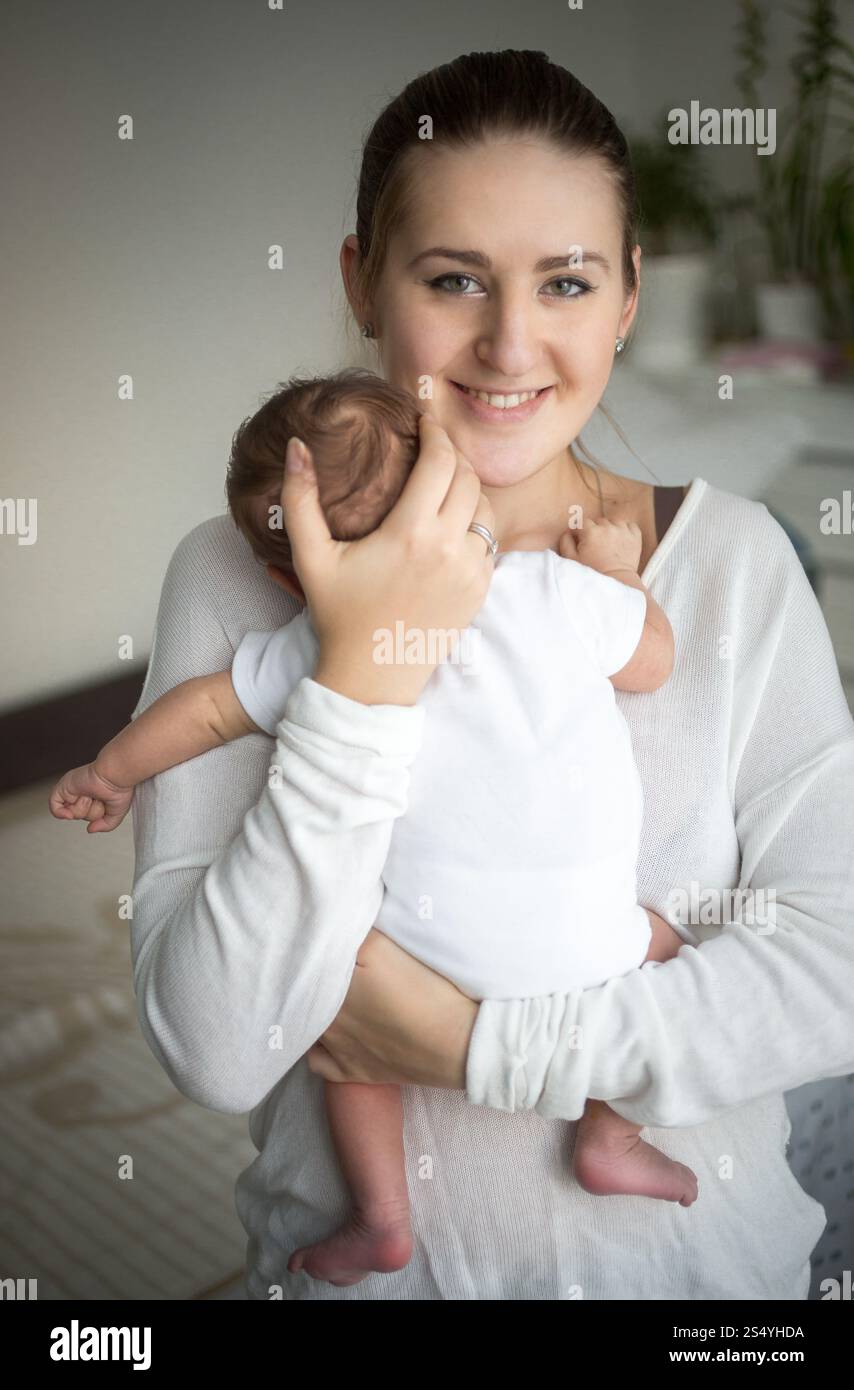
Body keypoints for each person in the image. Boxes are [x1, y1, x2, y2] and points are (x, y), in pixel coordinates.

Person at [127, 50, 854, 1300]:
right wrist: (357, 674)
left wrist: (483, 1048)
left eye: (565, 282)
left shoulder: (724, 567)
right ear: (363, 282)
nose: (509, 345)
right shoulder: (238, 571)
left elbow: (829, 973)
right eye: (453, 279)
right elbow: (215, 1044)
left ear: (626, 298)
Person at [49, 368, 699, 1287]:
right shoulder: (547, 590)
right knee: (669, 948)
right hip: (594, 948)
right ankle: (611, 1131)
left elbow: (202, 711)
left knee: (345, 1033)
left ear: (288, 574)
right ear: (455, 493)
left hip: (417, 958)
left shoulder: (313, 648)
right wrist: (619, 575)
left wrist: (108, 772)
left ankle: (384, 1218)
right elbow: (655, 661)